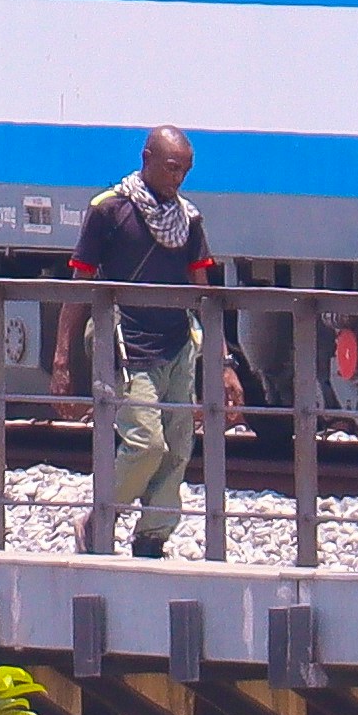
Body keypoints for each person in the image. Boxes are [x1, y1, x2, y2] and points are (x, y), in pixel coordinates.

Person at [78, 126, 227, 558]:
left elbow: (203, 292)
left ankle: (152, 538)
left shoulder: (189, 219)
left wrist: (223, 361)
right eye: (171, 167)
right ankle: (99, 517)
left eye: (185, 170)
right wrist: (63, 357)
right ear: (146, 158)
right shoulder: (109, 211)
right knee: (146, 444)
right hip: (128, 346)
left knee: (178, 449)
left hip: (177, 344)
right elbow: (80, 284)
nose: (178, 177)